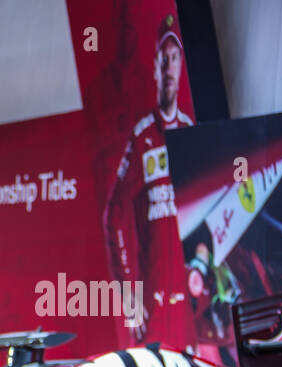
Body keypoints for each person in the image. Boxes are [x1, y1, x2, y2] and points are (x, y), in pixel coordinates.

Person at [103, 14, 193, 342]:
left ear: (181, 65)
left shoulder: (190, 134)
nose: (169, 67)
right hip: (151, 308)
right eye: (163, 59)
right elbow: (112, 215)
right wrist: (129, 295)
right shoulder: (142, 137)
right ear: (154, 67)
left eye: (174, 58)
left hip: (187, 311)